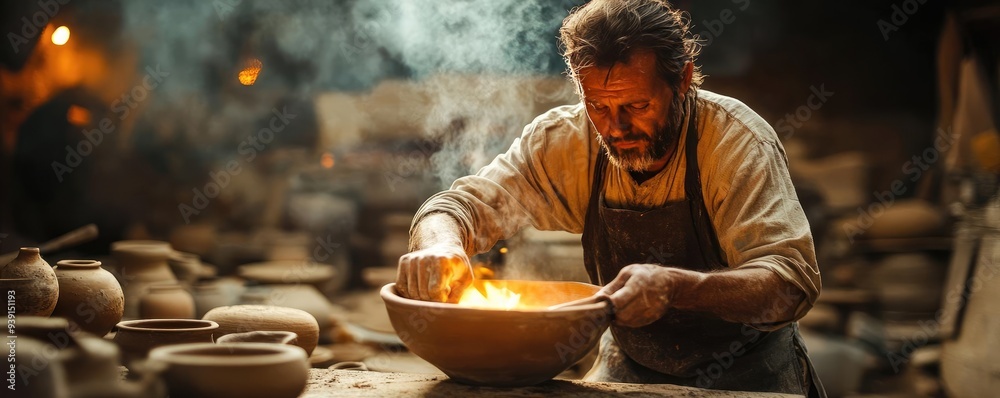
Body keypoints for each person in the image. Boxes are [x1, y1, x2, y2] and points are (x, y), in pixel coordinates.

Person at [396, 0, 824, 395]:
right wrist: (442, 246)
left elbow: (791, 283)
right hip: (629, 363)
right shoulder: (566, 140)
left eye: (637, 106)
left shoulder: (734, 144)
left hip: (748, 373)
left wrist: (677, 287)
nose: (615, 128)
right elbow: (457, 207)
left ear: (683, 80)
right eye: (598, 106)